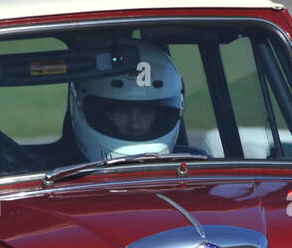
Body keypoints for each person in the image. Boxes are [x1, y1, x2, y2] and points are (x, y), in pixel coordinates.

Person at [68, 39, 196, 162]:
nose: (134, 125)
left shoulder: (195, 166)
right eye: (120, 111)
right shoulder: (62, 181)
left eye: (146, 112)